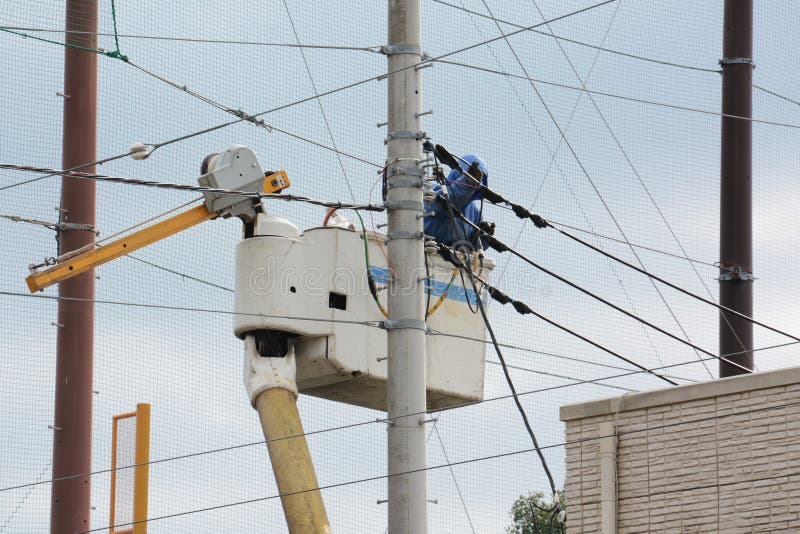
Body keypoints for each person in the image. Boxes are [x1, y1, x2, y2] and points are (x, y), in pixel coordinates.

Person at [423, 154, 488, 248]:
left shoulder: (476, 214)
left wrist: (483, 237)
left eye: (479, 177)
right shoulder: (433, 190)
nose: (477, 180)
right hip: (425, 253)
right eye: (472, 174)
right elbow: (445, 205)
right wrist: (467, 182)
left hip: (452, 260)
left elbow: (470, 249)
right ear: (457, 172)